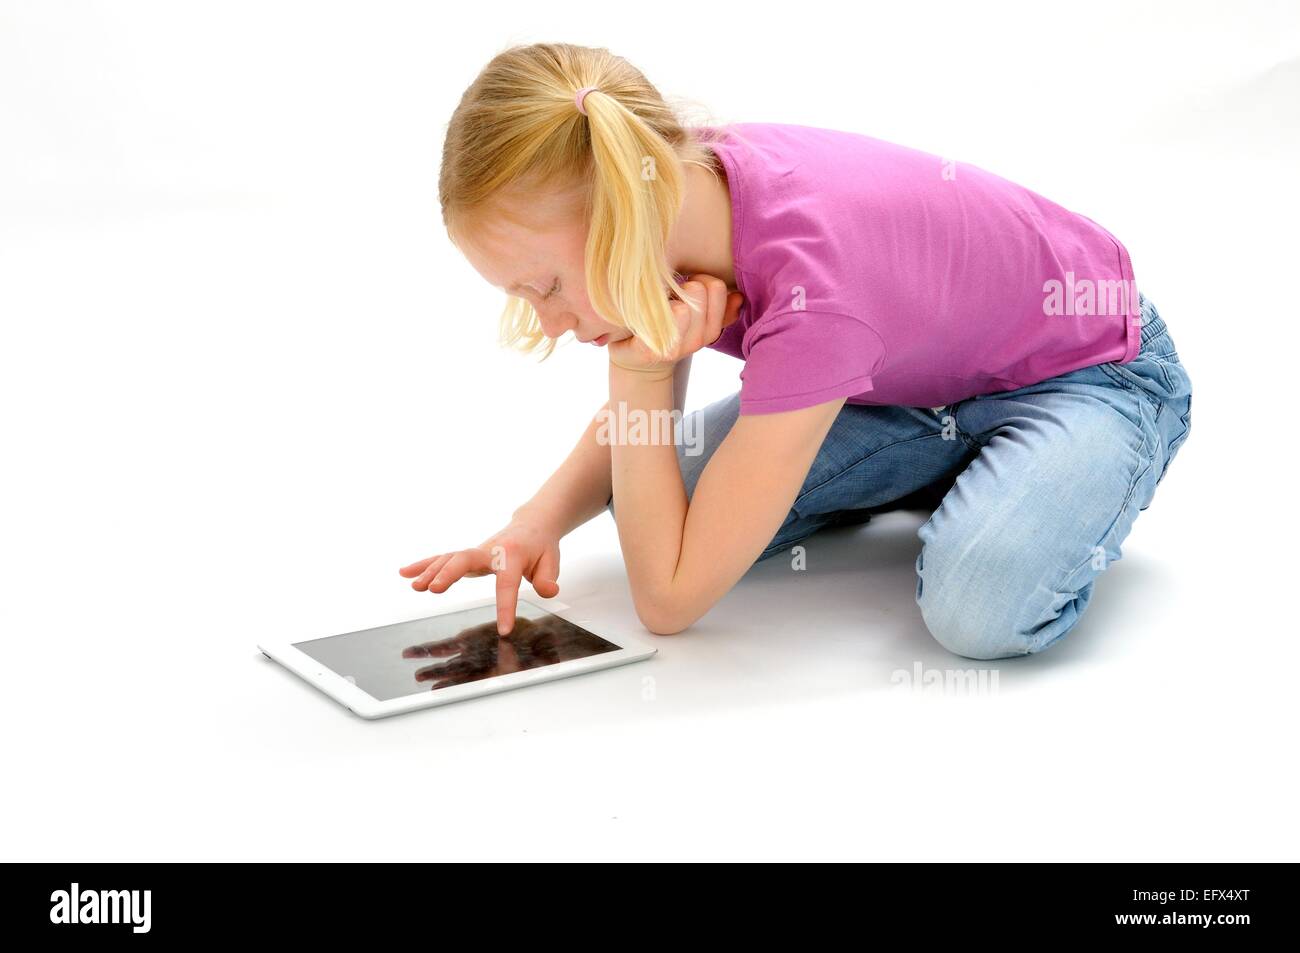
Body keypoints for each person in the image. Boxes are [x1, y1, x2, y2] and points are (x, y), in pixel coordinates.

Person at [399, 42, 1193, 660]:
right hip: (910, 387)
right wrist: (533, 522)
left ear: (623, 217)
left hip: (1093, 370)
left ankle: (1053, 476)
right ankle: (960, 462)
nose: (548, 322)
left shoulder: (819, 289)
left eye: (545, 287)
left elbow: (667, 602)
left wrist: (642, 367)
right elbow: (641, 468)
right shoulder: (677, 189)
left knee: (977, 606)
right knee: (651, 488)